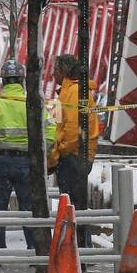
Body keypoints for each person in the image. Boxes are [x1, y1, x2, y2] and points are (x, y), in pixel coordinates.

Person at [0, 61, 56, 250]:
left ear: (2, 81)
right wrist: (41, 153)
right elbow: (51, 132)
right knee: (32, 208)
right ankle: (37, 250)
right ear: (22, 80)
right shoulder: (34, 105)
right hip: (28, 162)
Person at [50, 54, 101, 248]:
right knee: (76, 205)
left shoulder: (74, 92)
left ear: (63, 72)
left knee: (74, 206)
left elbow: (72, 129)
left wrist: (62, 150)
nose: (53, 74)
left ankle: (79, 248)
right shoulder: (70, 91)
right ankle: (79, 247)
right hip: (76, 155)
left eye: (55, 70)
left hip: (73, 157)